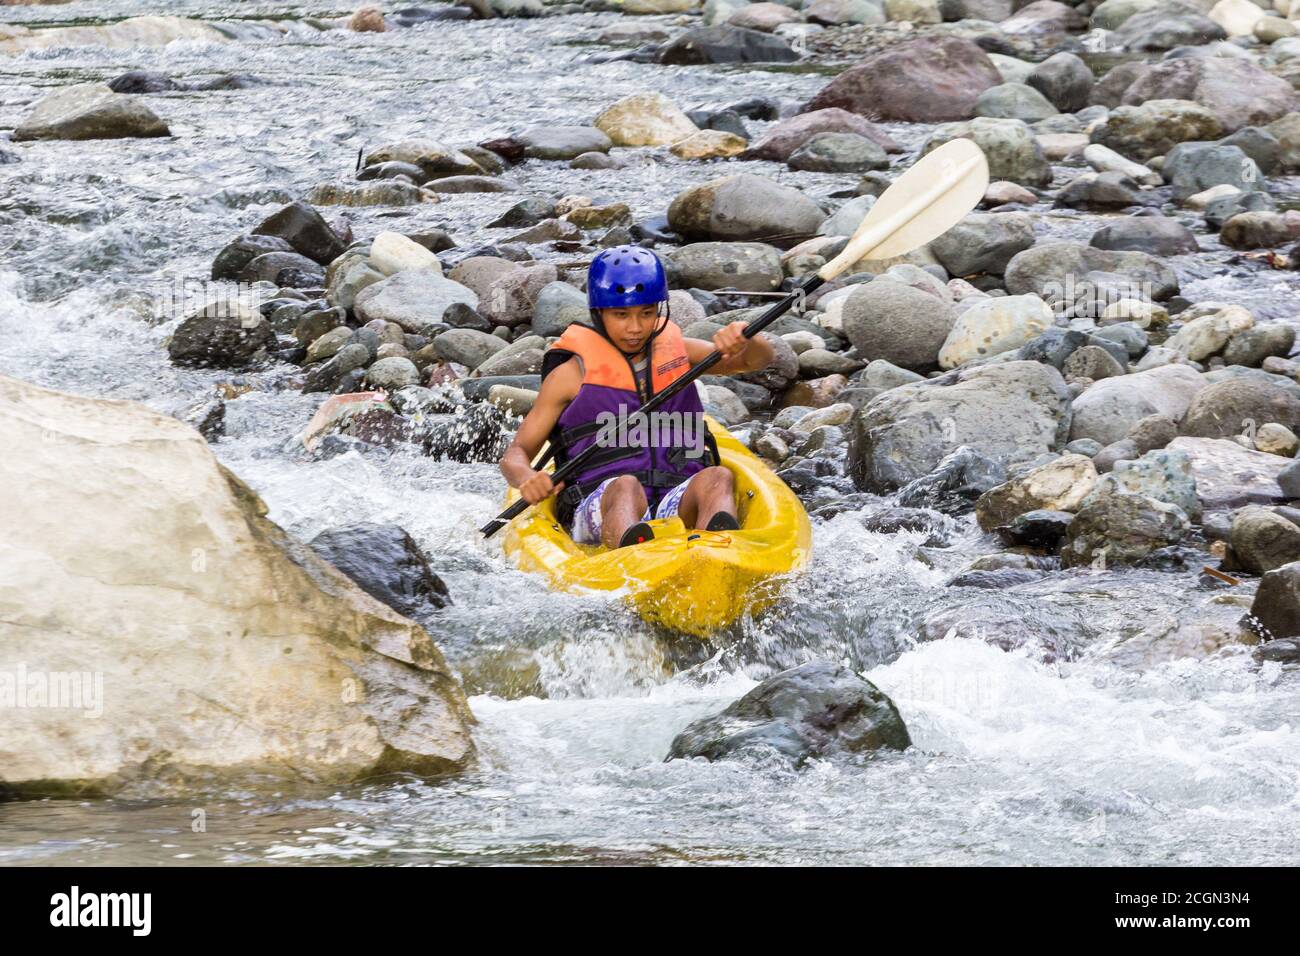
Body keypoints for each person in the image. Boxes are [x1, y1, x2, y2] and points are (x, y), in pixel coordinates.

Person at [499, 245, 776, 550]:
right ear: (599, 313)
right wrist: (526, 478)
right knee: (626, 486)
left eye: (646, 313)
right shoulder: (571, 375)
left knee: (718, 477)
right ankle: (631, 557)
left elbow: (755, 361)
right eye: (621, 315)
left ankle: (719, 553)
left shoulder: (679, 353)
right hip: (599, 503)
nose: (635, 328)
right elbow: (517, 452)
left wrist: (747, 339)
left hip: (673, 498)